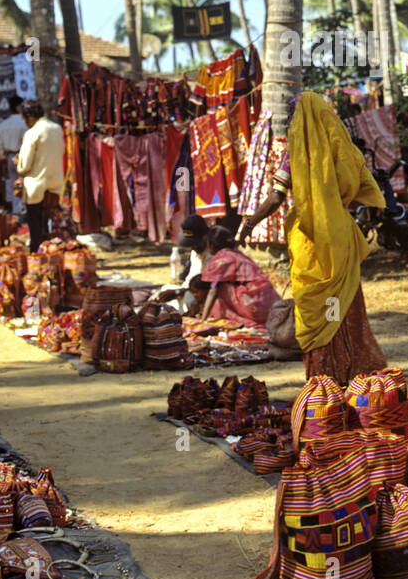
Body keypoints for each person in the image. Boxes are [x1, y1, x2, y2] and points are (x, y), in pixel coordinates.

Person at [238, 91, 387, 385]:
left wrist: (250, 222)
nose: (293, 119)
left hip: (313, 239)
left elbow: (275, 197)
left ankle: (324, 375)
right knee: (342, 304)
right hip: (341, 236)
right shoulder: (341, 147)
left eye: (295, 113)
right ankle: (354, 370)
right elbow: (361, 187)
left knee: (319, 306)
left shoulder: (295, 152)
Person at [198, 226, 278, 330]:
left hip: (254, 305)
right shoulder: (238, 254)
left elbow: (213, 290)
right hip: (269, 302)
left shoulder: (221, 259)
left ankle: (237, 321)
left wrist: (203, 320)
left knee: (218, 293)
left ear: (211, 245)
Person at [16, 101, 65, 253]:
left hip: (37, 185)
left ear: (29, 116)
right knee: (49, 223)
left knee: (35, 224)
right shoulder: (57, 129)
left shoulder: (32, 133)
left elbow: (25, 166)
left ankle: (36, 252)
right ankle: (51, 252)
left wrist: (19, 162)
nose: (24, 122)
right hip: (56, 183)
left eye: (24, 119)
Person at [154, 213, 213, 314]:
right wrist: (178, 291)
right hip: (187, 289)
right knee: (164, 290)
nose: (193, 247)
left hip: (200, 294)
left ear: (205, 236)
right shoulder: (195, 251)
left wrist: (179, 292)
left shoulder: (212, 254)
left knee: (188, 300)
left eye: (195, 242)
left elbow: (205, 287)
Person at [0, 98, 27, 215]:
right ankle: (24, 209)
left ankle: (16, 210)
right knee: (24, 183)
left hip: (9, 156)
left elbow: (0, 146)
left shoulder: (3, 125)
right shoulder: (25, 123)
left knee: (13, 182)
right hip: (22, 155)